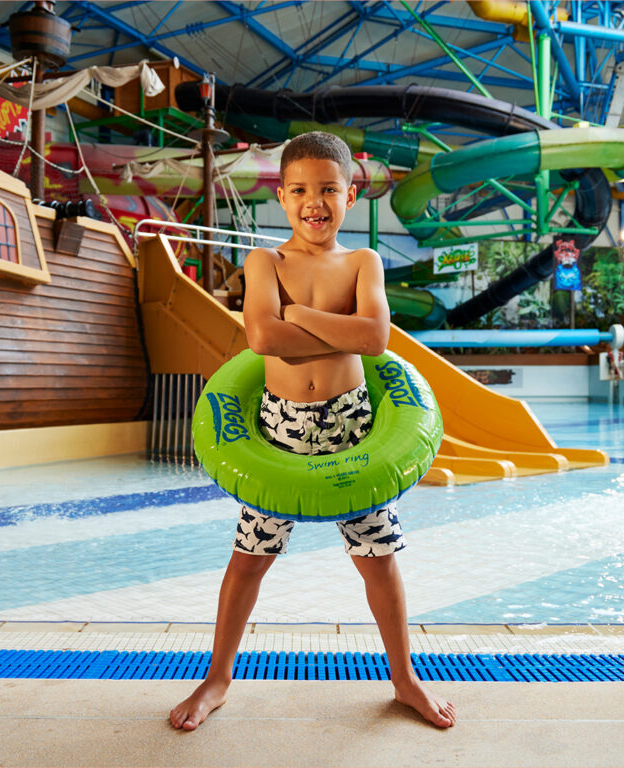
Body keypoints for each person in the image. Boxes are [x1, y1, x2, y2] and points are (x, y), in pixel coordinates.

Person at [170, 131, 456, 731]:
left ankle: (404, 679)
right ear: (282, 195)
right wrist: (329, 326)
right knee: (247, 560)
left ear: (350, 196)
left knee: (379, 561)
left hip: (354, 429)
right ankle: (217, 678)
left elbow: (374, 340)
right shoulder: (264, 262)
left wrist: (296, 313)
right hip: (279, 431)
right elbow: (263, 340)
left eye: (328, 189)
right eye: (300, 189)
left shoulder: (362, 262)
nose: (314, 201)